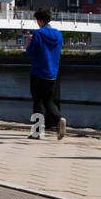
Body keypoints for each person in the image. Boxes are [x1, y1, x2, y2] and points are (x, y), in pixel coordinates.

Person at [25, 8, 65, 139]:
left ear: (40, 20)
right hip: (52, 73)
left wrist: (28, 43)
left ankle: (37, 132)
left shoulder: (38, 34)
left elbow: (31, 52)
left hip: (38, 72)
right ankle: (59, 119)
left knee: (37, 101)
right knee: (48, 101)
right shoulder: (58, 35)